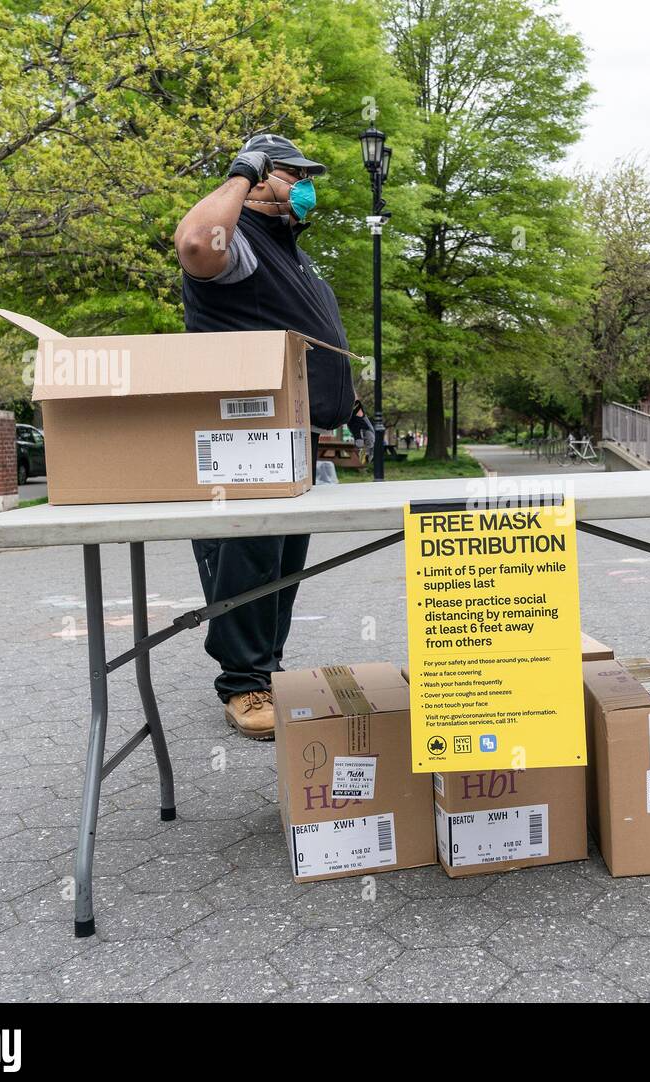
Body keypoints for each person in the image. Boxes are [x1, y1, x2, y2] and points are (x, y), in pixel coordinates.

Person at [174, 134, 357, 738]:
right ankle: (244, 684)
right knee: (248, 556)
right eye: (292, 174)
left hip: (299, 441)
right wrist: (242, 170)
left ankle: (264, 670)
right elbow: (196, 243)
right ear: (257, 181)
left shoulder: (292, 255)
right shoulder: (240, 243)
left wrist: (346, 405)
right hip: (247, 439)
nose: (307, 185)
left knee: (280, 564)